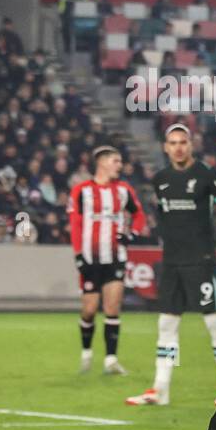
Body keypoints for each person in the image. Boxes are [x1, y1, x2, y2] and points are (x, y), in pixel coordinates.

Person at [126, 124, 216, 408]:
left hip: (201, 261)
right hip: (171, 263)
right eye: (173, 142)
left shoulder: (209, 176)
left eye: (183, 142)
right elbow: (164, 219)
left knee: (214, 321)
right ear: (166, 147)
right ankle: (160, 388)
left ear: (191, 145)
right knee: (166, 323)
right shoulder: (161, 180)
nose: (178, 147)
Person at [69, 146, 145, 376]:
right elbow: (75, 225)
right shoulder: (82, 191)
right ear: (101, 163)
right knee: (89, 310)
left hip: (115, 258)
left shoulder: (124, 190)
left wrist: (132, 234)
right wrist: (79, 255)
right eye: (115, 161)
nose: (119, 165)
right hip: (91, 259)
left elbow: (139, 214)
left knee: (113, 308)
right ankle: (86, 354)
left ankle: (111, 360)